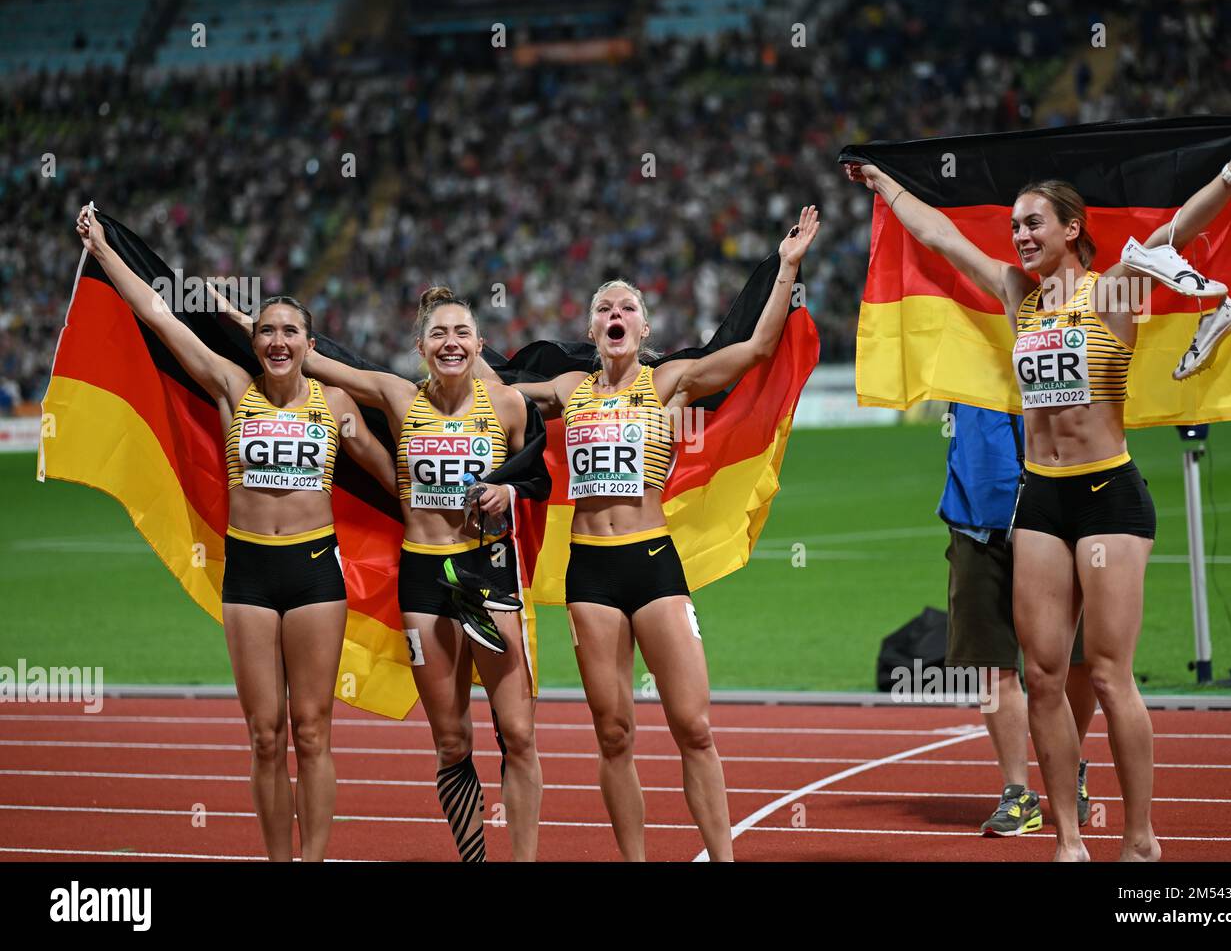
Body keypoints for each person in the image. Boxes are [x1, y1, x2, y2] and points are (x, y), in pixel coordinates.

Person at [847, 116, 1231, 861]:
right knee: (1045, 678)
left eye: (1031, 224)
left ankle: (1141, 838)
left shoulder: (1116, 288)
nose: (1018, 236)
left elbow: (1182, 225)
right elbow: (941, 240)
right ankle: (1066, 840)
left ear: (1070, 228)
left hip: (1107, 495)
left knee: (1111, 677)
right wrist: (885, 182)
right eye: (1015, 225)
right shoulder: (1017, 296)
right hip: (1041, 501)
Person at [480, 207, 820, 860]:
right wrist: (458, 343)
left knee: (693, 725)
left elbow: (755, 350)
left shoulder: (671, 383)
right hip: (591, 575)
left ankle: (722, 858)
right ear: (591, 329)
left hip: (655, 565)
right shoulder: (568, 389)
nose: (617, 311)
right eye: (605, 305)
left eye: (628, 306)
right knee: (613, 734)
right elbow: (499, 392)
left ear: (643, 327)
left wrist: (787, 266)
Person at [76, 204, 397, 861]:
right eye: (268, 332)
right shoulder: (230, 385)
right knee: (264, 734)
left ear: (310, 344)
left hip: (315, 572)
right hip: (249, 573)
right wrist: (106, 252)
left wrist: (442, 510)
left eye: (291, 332)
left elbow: (393, 477)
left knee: (313, 731)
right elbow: (160, 317)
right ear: (254, 341)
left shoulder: (336, 406)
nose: (278, 342)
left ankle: (313, 859)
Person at [226, 285, 544, 862]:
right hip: (424, 578)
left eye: (462, 333)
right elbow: (310, 357)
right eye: (439, 334)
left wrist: (507, 489)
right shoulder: (397, 395)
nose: (451, 343)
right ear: (420, 346)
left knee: (518, 733)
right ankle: (473, 858)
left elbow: (536, 477)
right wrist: (236, 316)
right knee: (451, 741)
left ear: (480, 343)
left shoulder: (508, 405)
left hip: (488, 572)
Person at [939, 403, 1096, 836]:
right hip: (977, 522)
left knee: (1077, 660)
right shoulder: (960, 349)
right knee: (991, 662)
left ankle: (1070, 767)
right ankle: (1017, 792)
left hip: (1057, 521)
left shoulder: (1055, 338)